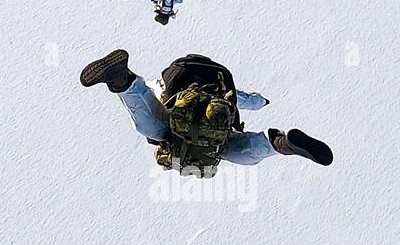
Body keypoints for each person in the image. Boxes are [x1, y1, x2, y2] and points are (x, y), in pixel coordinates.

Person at [80, 50, 333, 177]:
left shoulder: (170, 91)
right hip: (212, 117)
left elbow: (153, 90)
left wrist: (259, 102)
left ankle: (279, 144)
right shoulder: (216, 88)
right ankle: (282, 143)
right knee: (157, 129)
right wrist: (261, 101)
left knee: (238, 151)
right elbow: (240, 98)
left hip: (201, 125)